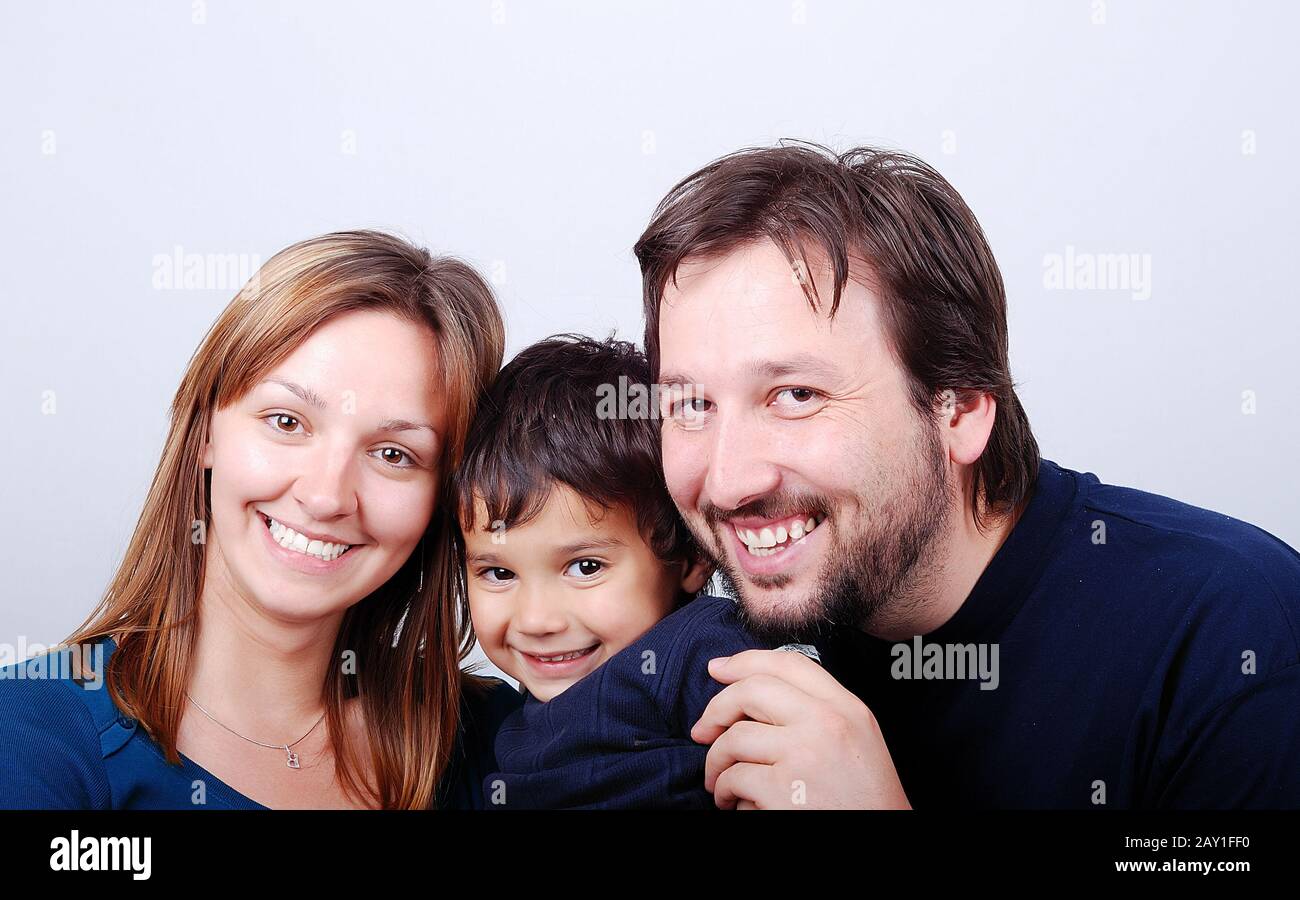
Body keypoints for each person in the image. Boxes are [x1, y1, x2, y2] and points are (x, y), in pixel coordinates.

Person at [633, 142, 1300, 809]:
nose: (726, 482)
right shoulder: (691, 648)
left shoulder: (1232, 637)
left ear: (961, 410)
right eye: (690, 405)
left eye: (797, 395)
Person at [0, 230, 521, 809]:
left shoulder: (498, 743)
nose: (326, 497)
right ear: (204, 433)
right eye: (287, 422)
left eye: (393, 454)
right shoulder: (30, 734)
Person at [452, 335, 768, 808]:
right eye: (499, 574)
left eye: (584, 567)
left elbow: (791, 761)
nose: (537, 620)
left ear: (693, 555)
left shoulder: (701, 650)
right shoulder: (510, 717)